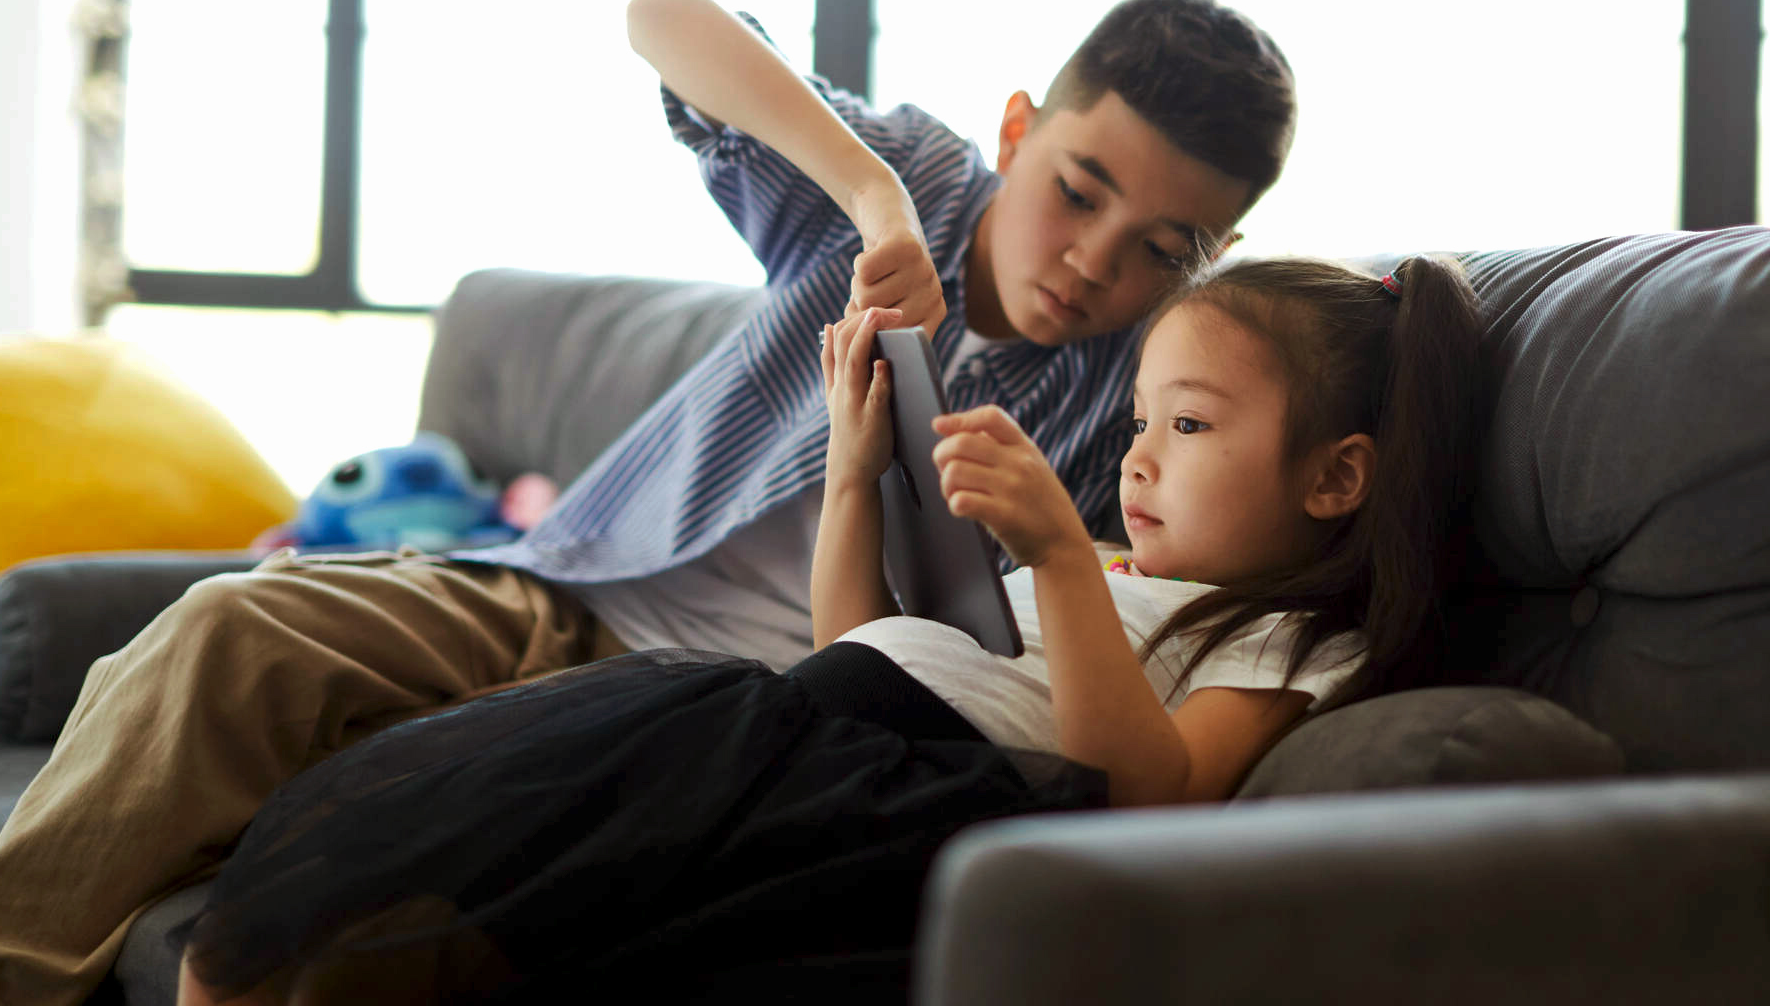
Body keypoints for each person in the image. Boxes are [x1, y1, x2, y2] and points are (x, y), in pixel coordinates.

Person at [0, 0, 1296, 1006]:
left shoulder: (1142, 395)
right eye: (1078, 187)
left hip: (738, 726)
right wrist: (869, 199)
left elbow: (1177, 567)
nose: (1095, 262)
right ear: (1016, 126)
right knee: (227, 639)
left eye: (1166, 247)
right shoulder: (906, 182)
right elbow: (664, 15)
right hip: (561, 590)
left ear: (1211, 258)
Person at [168, 252, 1487, 1005]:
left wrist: (1054, 563)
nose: (1138, 461)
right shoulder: (1096, 562)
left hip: (870, 794)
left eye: (1187, 428)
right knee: (345, 886)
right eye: (1139, 423)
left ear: (1335, 480)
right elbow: (857, 631)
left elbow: (1150, 792)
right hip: (780, 715)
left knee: (493, 935)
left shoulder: (1289, 637)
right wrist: (857, 470)